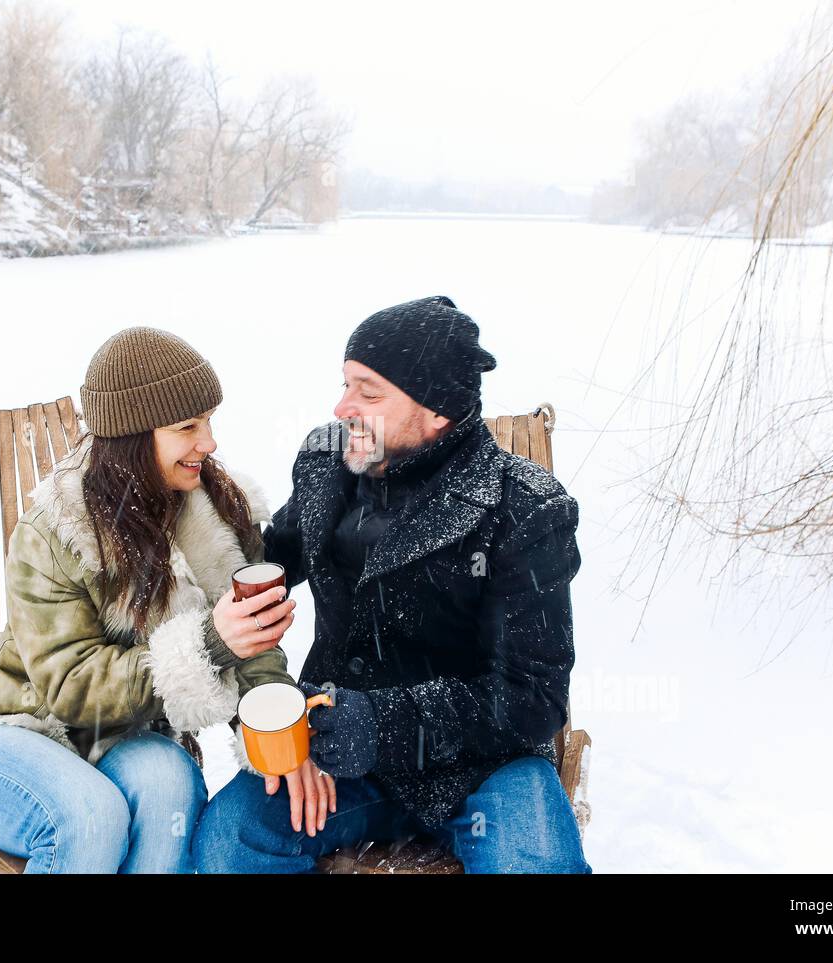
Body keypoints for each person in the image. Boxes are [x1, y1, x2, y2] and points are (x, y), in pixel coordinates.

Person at [194, 296, 592, 874]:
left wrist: (382, 724)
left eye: (369, 392)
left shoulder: (524, 510)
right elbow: (267, 560)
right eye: (345, 384)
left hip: (484, 765)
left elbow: (533, 699)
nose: (342, 406)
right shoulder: (329, 460)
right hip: (336, 752)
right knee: (230, 842)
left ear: (438, 410)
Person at [0, 326, 317, 873]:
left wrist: (278, 730)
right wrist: (208, 647)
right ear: (134, 438)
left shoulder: (215, 509)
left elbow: (252, 641)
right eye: (187, 427)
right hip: (5, 732)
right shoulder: (58, 530)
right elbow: (69, 687)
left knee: (170, 786)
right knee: (90, 818)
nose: (208, 443)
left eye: (209, 421)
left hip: (118, 741)